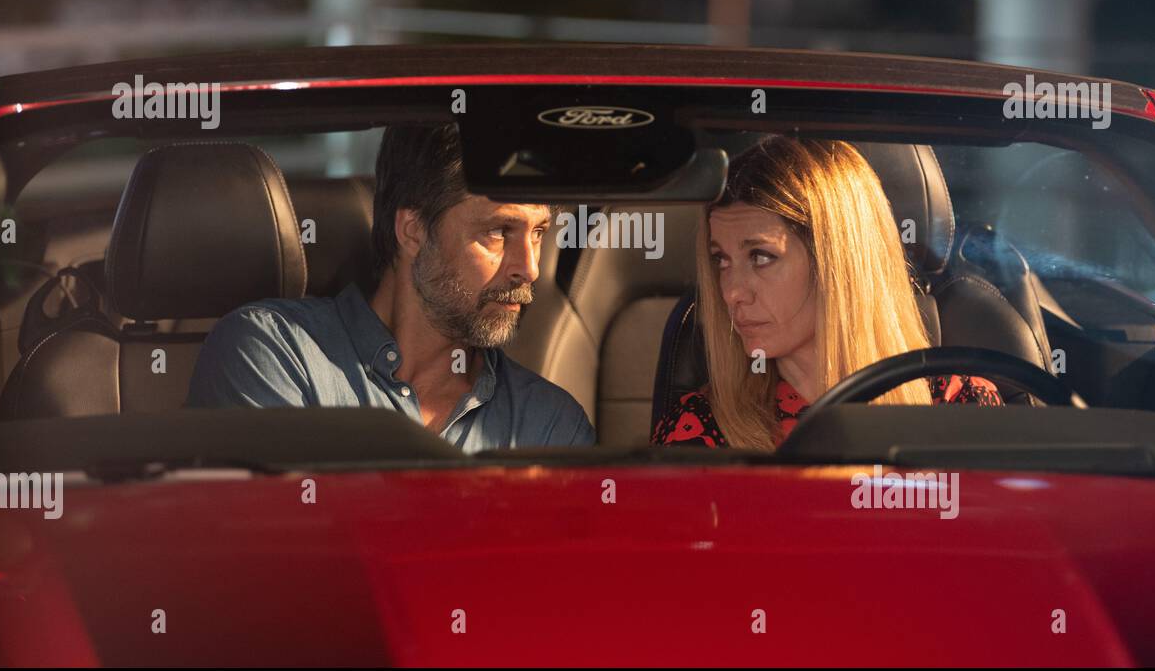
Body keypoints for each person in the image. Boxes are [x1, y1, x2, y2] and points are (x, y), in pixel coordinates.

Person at [187, 122, 595, 453]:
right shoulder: (275, 354)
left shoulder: (552, 424)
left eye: (539, 232)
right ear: (412, 231)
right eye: (498, 232)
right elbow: (277, 545)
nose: (529, 268)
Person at [652, 135, 1001, 450]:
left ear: (837, 262)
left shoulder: (960, 405)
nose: (731, 293)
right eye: (721, 260)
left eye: (761, 256)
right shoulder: (701, 430)